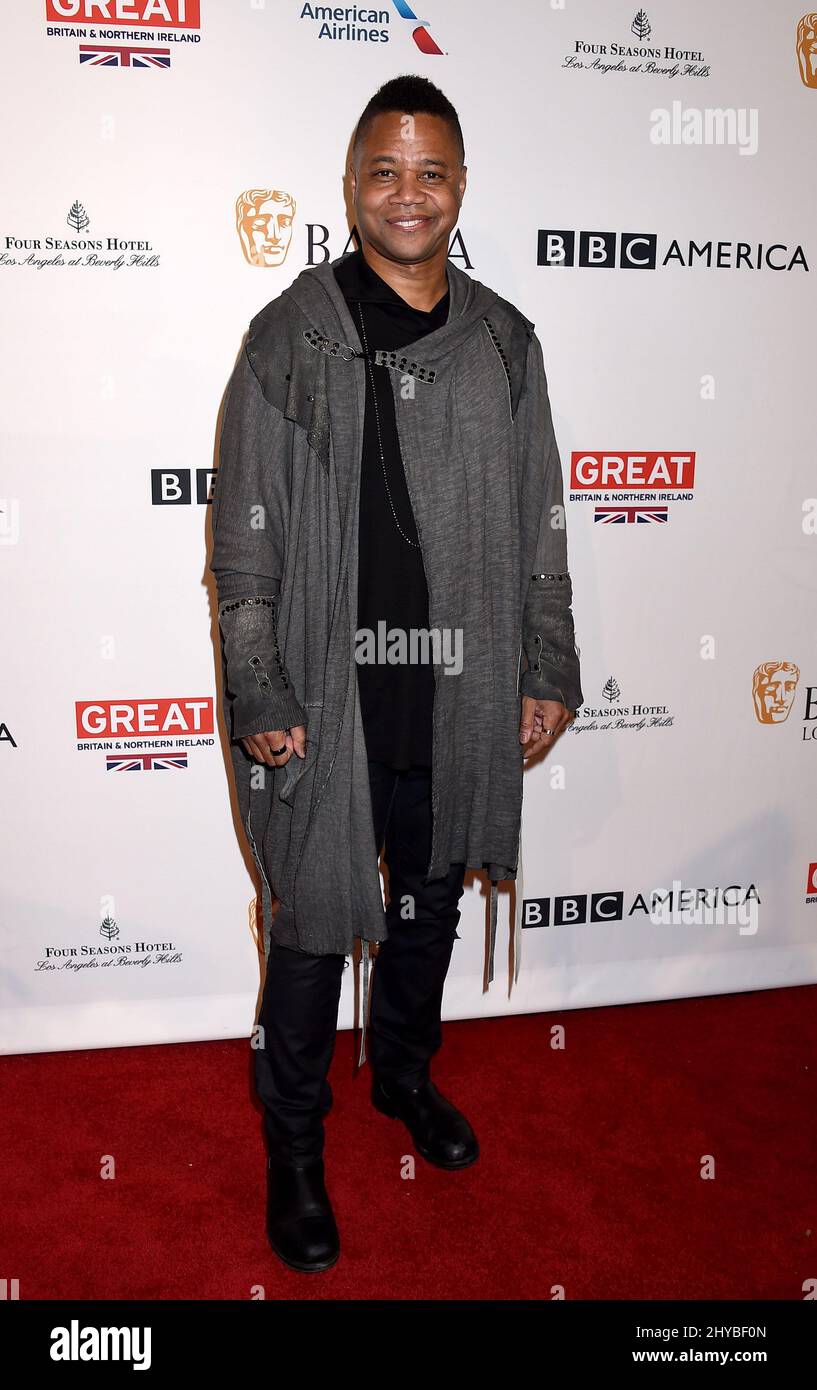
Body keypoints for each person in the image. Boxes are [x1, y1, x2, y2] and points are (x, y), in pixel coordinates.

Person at [209, 75, 583, 1274]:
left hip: (456, 685)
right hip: (328, 688)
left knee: (429, 895)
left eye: (430, 172)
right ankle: (296, 1145)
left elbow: (540, 524)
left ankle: (407, 1073)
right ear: (350, 188)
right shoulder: (290, 337)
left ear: (460, 187)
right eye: (384, 170)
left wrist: (546, 660)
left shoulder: (504, 343)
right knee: (312, 928)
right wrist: (259, 687)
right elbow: (242, 546)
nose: (406, 194)